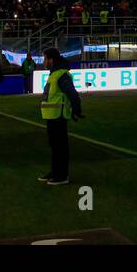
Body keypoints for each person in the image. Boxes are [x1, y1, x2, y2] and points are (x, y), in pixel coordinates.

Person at [38, 48, 83, 186]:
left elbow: (73, 94)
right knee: (55, 146)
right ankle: (55, 171)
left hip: (59, 116)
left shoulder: (61, 75)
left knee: (60, 147)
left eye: (45, 58)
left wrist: (76, 110)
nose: (44, 62)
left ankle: (62, 175)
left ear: (51, 59)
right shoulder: (55, 74)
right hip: (53, 116)